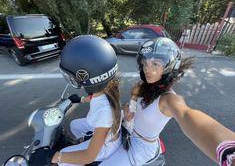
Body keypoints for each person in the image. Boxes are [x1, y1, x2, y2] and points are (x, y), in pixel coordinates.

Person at [100, 37, 235, 166]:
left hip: (142, 148)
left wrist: (229, 150)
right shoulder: (141, 87)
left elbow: (186, 114)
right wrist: (129, 114)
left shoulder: (169, 99)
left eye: (155, 64)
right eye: (145, 63)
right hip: (129, 133)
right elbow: (133, 111)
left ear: (169, 66)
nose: (147, 68)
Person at [50, 35, 122, 165]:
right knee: (74, 125)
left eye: (73, 76)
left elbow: (88, 156)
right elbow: (93, 98)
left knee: (64, 160)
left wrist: (55, 157)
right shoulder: (106, 89)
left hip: (103, 150)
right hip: (103, 130)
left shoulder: (104, 113)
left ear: (87, 75)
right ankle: (83, 142)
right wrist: (80, 100)